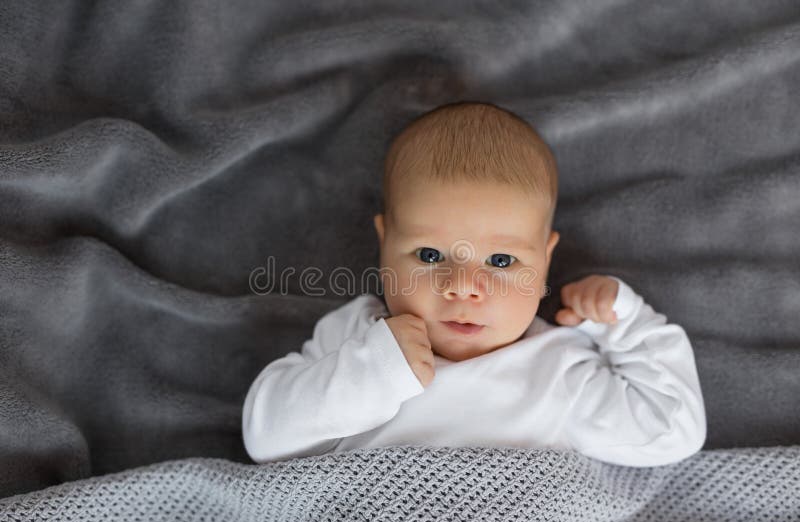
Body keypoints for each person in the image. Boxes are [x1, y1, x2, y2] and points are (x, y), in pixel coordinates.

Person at [242, 101, 707, 467]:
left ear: (544, 261)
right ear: (384, 244)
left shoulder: (558, 371)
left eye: (501, 260)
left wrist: (624, 325)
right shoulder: (359, 337)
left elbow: (673, 431)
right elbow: (266, 438)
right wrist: (367, 371)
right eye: (429, 255)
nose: (463, 287)